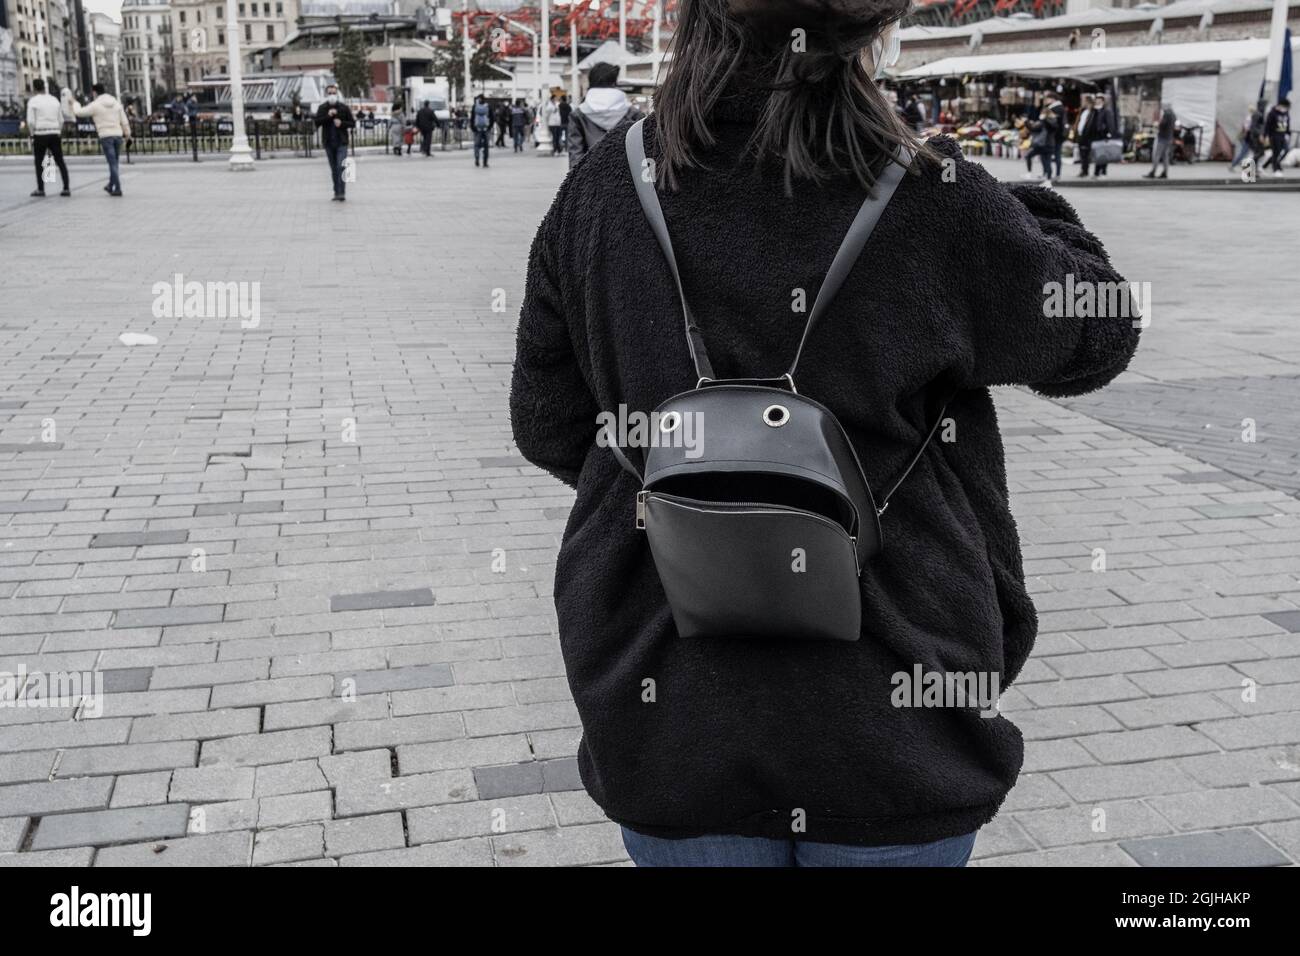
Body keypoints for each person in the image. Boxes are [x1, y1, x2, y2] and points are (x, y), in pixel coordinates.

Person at [510, 0, 1139, 868]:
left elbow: (546, 425)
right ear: (866, 38)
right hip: (896, 711)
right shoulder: (932, 195)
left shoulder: (602, 191)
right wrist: (1032, 209)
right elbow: (1097, 334)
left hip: (673, 711)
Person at [567, 61, 643, 168]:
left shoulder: (578, 115)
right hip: (626, 175)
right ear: (614, 82)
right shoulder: (634, 114)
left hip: (589, 176)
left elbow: (575, 154)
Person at [69, 83, 131, 197]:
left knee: (112, 164)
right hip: (118, 135)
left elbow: (79, 113)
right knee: (115, 163)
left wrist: (75, 103)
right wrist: (128, 135)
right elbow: (124, 120)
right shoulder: (116, 103)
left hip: (106, 136)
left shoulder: (95, 105)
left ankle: (117, 188)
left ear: (94, 92)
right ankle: (110, 185)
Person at [25, 79, 70, 197]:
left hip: (40, 133)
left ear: (34, 88)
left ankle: (41, 189)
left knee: (39, 162)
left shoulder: (33, 101)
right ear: (45, 88)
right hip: (54, 133)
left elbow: (30, 121)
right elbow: (61, 119)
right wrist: (58, 131)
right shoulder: (54, 100)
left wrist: (32, 133)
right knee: (60, 161)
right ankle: (66, 187)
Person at [314, 83, 355, 201]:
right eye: (330, 93)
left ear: (337, 94)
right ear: (326, 94)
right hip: (329, 142)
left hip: (341, 142)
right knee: (334, 169)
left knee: (340, 166)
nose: (332, 95)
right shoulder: (323, 108)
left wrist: (342, 123)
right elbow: (317, 122)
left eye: (334, 93)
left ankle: (342, 193)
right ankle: (336, 192)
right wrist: (328, 116)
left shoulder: (343, 107)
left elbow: (352, 123)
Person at [1143, 103, 1176, 179]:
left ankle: (1153, 172)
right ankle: (1165, 172)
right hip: (1169, 138)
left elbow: (1163, 124)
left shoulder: (1167, 114)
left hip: (1163, 137)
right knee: (1165, 156)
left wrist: (1158, 124)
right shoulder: (1173, 115)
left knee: (1157, 155)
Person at [1041, 90, 1066, 179]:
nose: (1045, 100)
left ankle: (1052, 174)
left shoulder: (1057, 108)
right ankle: (1052, 173)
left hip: (1055, 135)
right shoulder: (1056, 107)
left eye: (1047, 98)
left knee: (1054, 154)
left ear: (1052, 99)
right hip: (1057, 135)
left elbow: (1054, 123)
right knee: (1055, 154)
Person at [1264, 98, 1290, 177]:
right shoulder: (1272, 113)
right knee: (1276, 152)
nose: (1285, 109)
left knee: (1285, 150)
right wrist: (1266, 136)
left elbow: (1288, 123)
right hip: (1274, 135)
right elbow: (1267, 125)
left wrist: (1288, 133)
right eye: (1284, 107)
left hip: (1283, 135)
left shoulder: (1286, 113)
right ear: (1280, 105)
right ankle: (1275, 169)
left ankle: (1265, 165)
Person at [471, 94, 493, 167]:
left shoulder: (475, 106)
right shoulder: (488, 106)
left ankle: (477, 159)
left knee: (476, 145)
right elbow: (492, 118)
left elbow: (472, 118)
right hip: (486, 129)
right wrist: (489, 127)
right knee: (486, 146)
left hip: (477, 129)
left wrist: (473, 128)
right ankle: (485, 162)